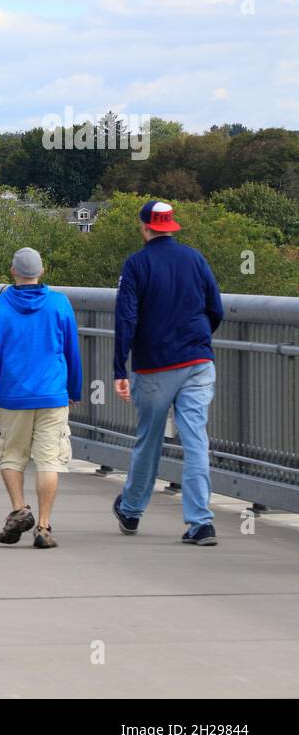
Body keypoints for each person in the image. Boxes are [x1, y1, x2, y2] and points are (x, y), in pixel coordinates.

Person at [113, 201, 224, 547]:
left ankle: (131, 509)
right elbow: (215, 307)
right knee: (195, 441)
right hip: (197, 362)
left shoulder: (136, 265)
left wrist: (120, 366)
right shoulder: (195, 258)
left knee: (150, 439)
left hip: (155, 365)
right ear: (170, 226)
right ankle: (200, 522)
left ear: (144, 227)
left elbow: (126, 318)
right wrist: (199, 338)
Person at [0, 248, 83, 549]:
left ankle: (19, 508)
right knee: (49, 461)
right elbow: (71, 352)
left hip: (12, 395)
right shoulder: (59, 304)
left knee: (11, 455)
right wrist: (73, 389)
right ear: (42, 271)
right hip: (52, 394)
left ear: (13, 271)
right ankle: (44, 526)